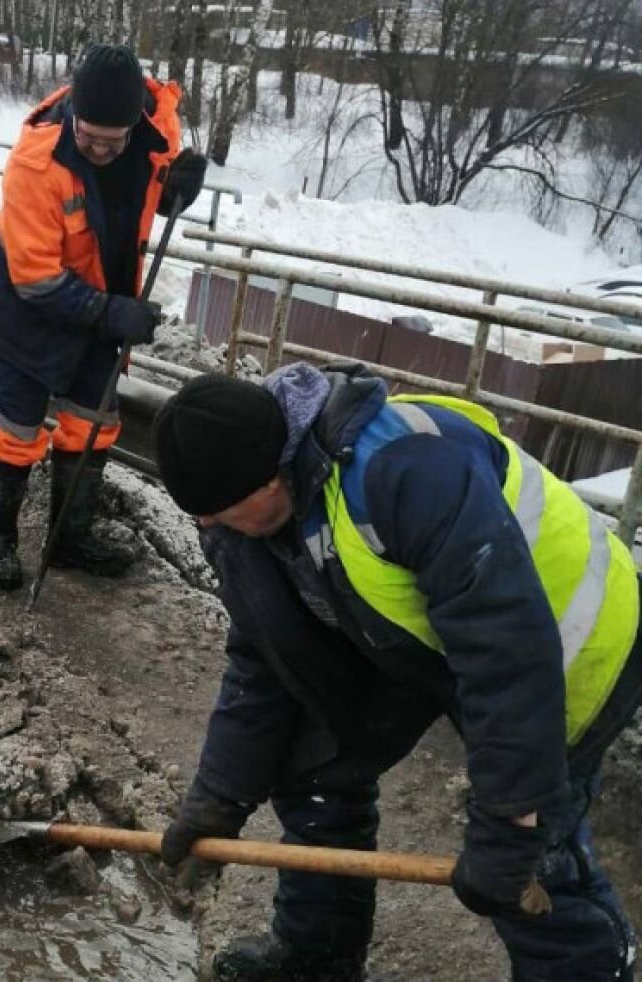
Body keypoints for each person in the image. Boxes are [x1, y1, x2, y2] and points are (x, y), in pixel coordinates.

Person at [152, 362, 642, 982]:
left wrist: (510, 823)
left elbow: (505, 654)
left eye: (221, 512)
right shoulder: (240, 521)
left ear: (274, 472)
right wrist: (217, 798)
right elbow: (265, 662)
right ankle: (318, 955)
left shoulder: (402, 468)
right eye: (202, 516)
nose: (208, 527)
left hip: (571, 634)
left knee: (534, 855)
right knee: (314, 764)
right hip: (421, 629)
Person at [0, 43, 207, 590]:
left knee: (92, 424)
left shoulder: (156, 137)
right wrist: (109, 313)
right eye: (89, 138)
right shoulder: (36, 163)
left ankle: (70, 535)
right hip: (29, 303)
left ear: (133, 126)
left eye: (114, 141)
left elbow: (153, 198)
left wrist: (179, 192)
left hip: (107, 289)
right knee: (15, 424)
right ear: (74, 117)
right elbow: (35, 278)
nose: (101, 150)